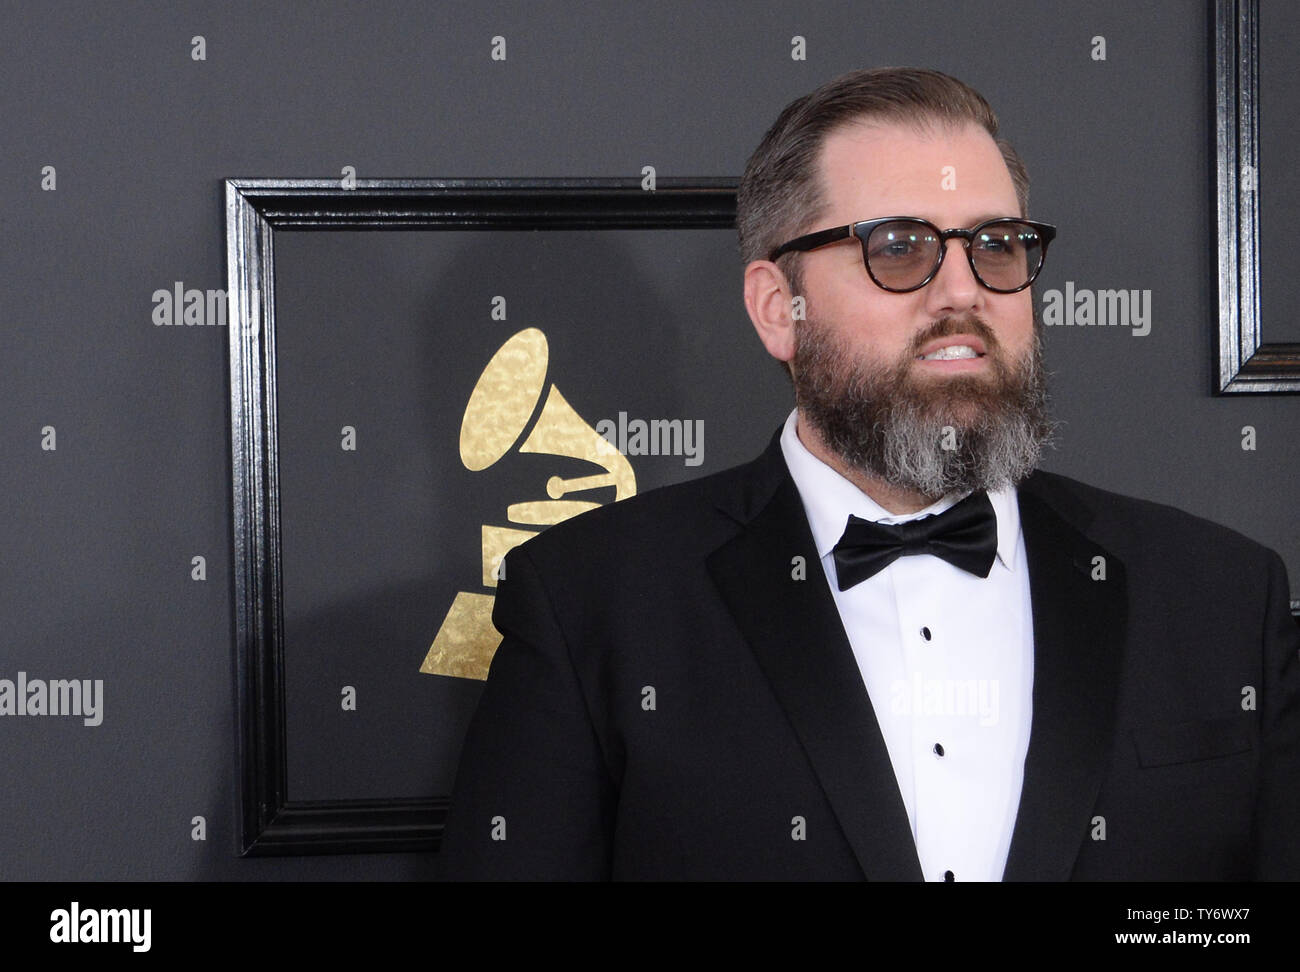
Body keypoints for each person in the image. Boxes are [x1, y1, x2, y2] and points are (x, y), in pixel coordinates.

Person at [437, 66, 1300, 880]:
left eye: (995, 245)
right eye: (898, 247)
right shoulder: (593, 602)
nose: (962, 291)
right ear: (780, 310)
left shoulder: (1220, 596)